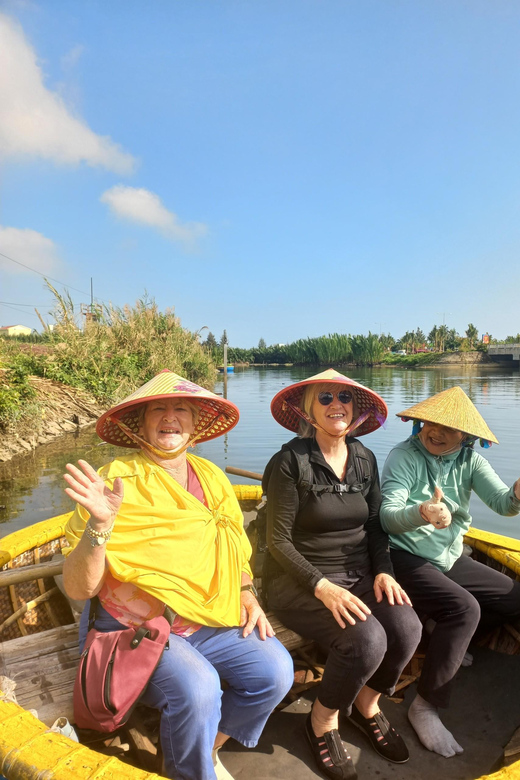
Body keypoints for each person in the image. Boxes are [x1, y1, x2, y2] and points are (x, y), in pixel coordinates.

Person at [62, 369, 294, 780]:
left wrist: (245, 591)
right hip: (134, 627)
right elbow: (80, 587)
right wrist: (99, 525)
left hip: (206, 615)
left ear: (195, 423)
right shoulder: (115, 480)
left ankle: (204, 748)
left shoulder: (212, 477)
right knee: (200, 688)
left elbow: (234, 548)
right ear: (141, 423)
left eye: (181, 408)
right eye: (158, 409)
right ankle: (192, 770)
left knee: (275, 672)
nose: (170, 417)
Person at [264, 369, 423, 780]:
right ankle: (321, 721)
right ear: (307, 409)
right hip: (300, 580)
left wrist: (383, 572)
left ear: (356, 411)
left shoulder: (365, 458)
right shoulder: (289, 463)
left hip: (358, 575)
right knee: (366, 640)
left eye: (346, 399)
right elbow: (277, 543)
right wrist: (321, 587)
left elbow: (374, 527)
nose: (338, 404)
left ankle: (367, 705)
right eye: (326, 397)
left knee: (406, 628)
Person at [380, 385, 520, 759]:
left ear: (466, 436)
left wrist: (519, 493)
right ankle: (424, 705)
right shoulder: (403, 456)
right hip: (403, 555)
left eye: (448, 428)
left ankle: (448, 640)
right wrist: (422, 512)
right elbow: (387, 518)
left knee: (514, 598)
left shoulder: (471, 462)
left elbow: (503, 504)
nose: (435, 431)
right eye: (430, 423)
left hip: (448, 555)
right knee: (464, 609)